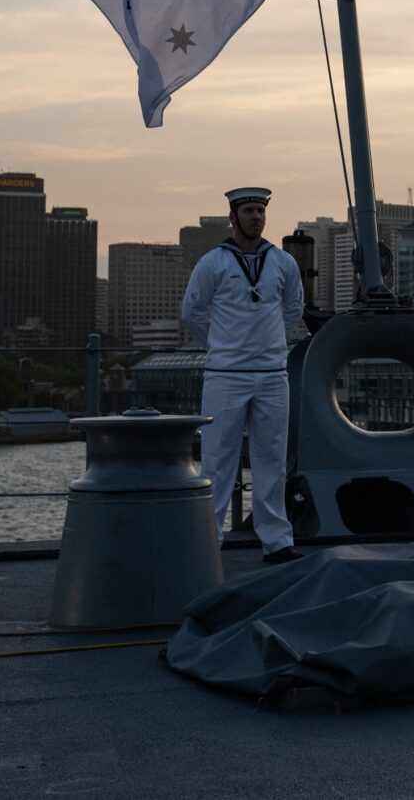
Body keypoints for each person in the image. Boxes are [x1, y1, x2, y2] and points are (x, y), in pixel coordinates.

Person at [181, 186, 305, 563]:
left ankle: (277, 540)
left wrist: (267, 345)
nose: (256, 217)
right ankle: (209, 538)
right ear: (233, 217)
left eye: (261, 211)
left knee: (272, 457)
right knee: (217, 459)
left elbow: (293, 308)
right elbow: (192, 312)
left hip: (271, 373)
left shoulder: (282, 262)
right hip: (226, 374)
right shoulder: (213, 263)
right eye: (249, 211)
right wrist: (223, 345)